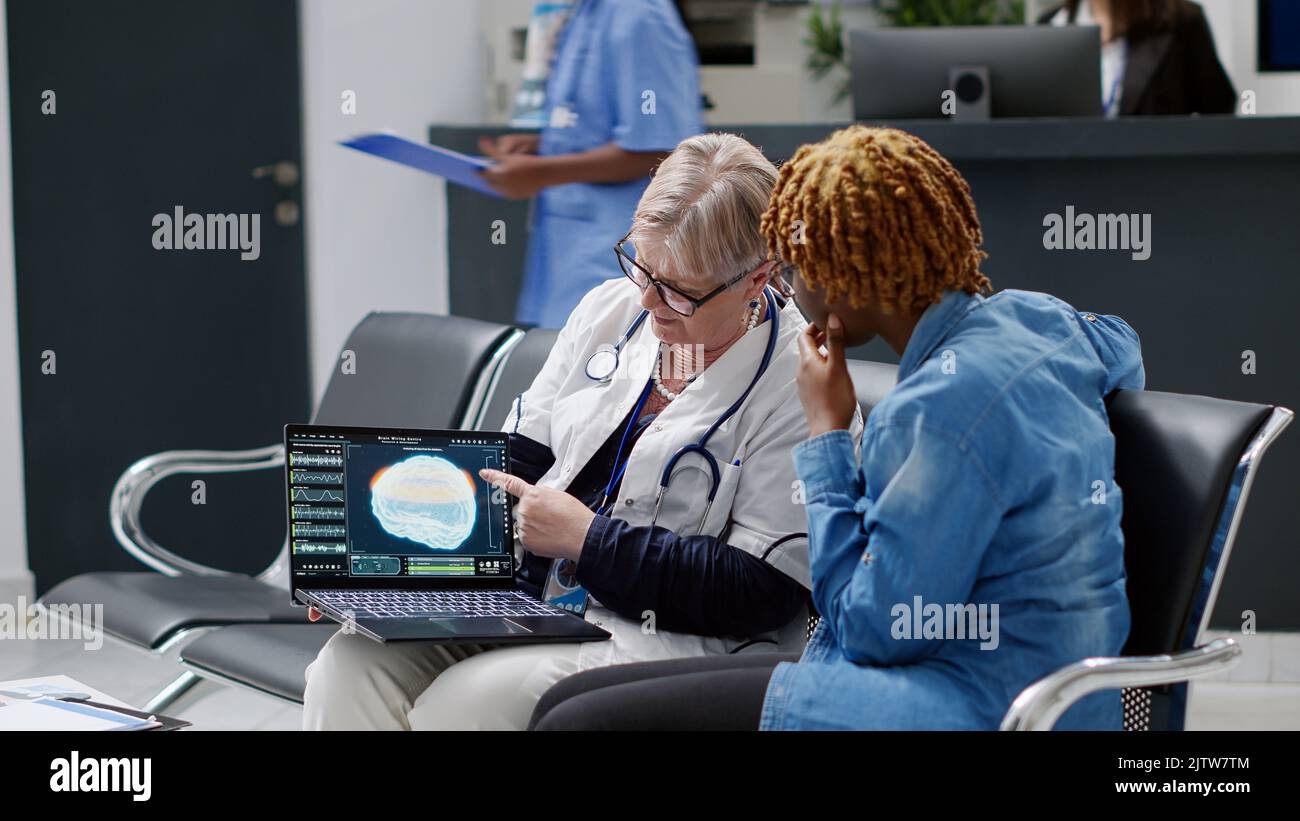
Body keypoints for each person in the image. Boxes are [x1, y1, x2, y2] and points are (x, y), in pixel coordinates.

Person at [529, 125, 1145, 731]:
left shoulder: (936, 411)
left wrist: (827, 436)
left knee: (577, 721)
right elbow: (1125, 349)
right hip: (1054, 685)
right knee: (569, 706)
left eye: (795, 272)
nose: (787, 294)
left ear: (844, 280)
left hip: (965, 698)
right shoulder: (1040, 320)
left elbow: (867, 632)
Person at [302, 133, 846, 730]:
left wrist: (588, 541)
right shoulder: (610, 310)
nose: (648, 299)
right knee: (347, 665)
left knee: (462, 706)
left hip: (671, 637)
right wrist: (385, 575)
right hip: (534, 604)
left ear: (756, 276)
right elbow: (518, 466)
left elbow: (762, 592)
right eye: (642, 265)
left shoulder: (798, 379)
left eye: (679, 290)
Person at [478, 0, 703, 328]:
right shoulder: (585, 12)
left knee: (613, 369)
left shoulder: (641, 16)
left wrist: (540, 173)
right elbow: (599, 127)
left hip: (618, 261)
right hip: (568, 262)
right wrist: (544, 146)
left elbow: (660, 148)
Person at [1041, 0, 1235, 117]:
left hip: (1158, 176)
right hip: (1072, 178)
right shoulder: (1050, 27)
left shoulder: (1181, 21)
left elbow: (1220, 109)